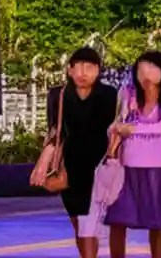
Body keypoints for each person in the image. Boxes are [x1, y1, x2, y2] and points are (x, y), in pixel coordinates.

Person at [105, 51, 161, 258]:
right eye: (141, 69)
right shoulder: (127, 93)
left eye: (151, 68)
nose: (146, 74)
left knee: (156, 223)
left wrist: (134, 130)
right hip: (125, 167)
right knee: (117, 219)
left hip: (156, 168)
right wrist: (115, 128)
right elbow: (116, 124)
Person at [45, 47, 118, 258]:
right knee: (78, 222)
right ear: (69, 69)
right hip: (69, 167)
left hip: (98, 167)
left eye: (89, 67)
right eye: (78, 67)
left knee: (89, 222)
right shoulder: (58, 95)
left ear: (98, 70)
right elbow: (53, 129)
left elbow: (115, 131)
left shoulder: (109, 95)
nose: (83, 72)